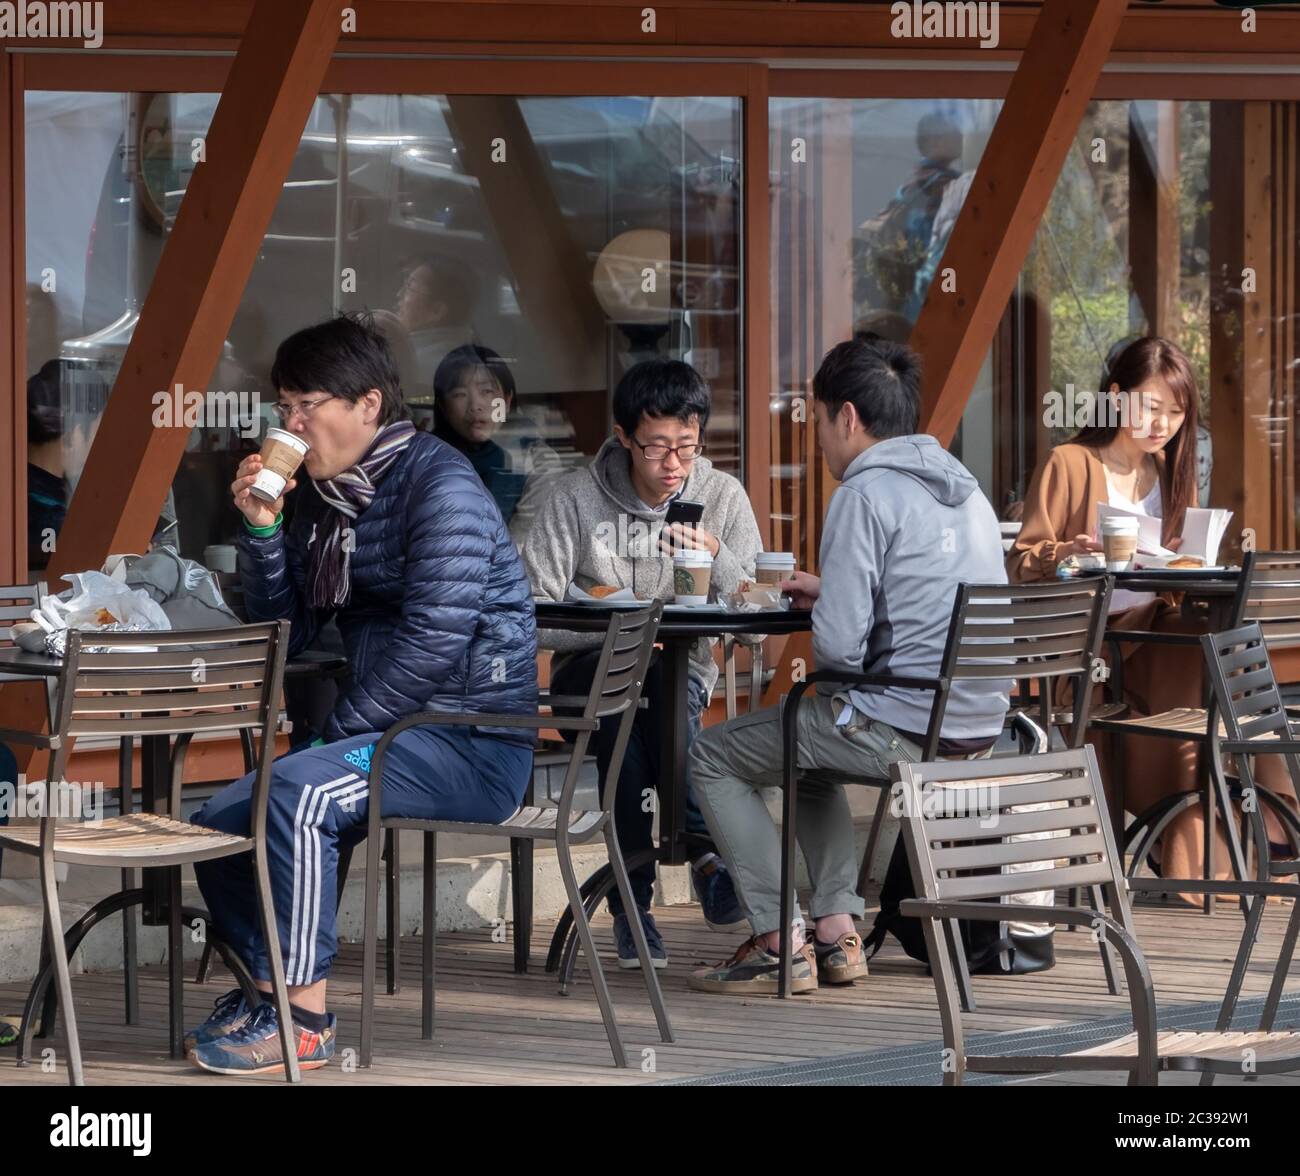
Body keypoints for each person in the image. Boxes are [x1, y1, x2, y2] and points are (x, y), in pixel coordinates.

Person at [186, 315, 538, 1075]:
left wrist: (333, 735)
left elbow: (435, 644)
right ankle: (262, 990)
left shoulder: (441, 485)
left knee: (298, 797)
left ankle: (305, 1019)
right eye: (284, 409)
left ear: (370, 406)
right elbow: (286, 626)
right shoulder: (327, 497)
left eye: (307, 404)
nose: (293, 424)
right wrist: (263, 528)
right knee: (220, 813)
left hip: (467, 736)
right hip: (394, 729)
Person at [687, 336, 1009, 994]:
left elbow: (837, 652)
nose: (819, 444)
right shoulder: (965, 491)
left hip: (903, 720)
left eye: (818, 422)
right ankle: (837, 935)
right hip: (974, 724)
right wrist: (832, 590)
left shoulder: (864, 496)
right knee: (804, 742)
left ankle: (779, 939)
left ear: (849, 418)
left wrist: (833, 605)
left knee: (711, 755)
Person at [1007, 335, 1292, 885]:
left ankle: (1255, 803)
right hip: (1090, 644)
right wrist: (1068, 551)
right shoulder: (1071, 462)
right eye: (1151, 406)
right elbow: (1021, 564)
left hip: (1151, 631)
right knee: (1209, 650)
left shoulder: (1164, 470)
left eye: (1177, 411)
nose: (1163, 423)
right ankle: (1229, 819)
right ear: (1116, 397)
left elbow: (1165, 568)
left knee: (1227, 638)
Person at [522, 358, 762, 969]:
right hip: (590, 670)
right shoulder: (574, 498)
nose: (674, 465)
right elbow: (530, 614)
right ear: (624, 436)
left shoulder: (721, 496)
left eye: (687, 446)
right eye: (656, 448)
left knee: (637, 709)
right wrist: (616, 622)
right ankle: (706, 852)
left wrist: (717, 554)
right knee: (627, 691)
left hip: (681, 674)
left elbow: (756, 615)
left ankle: (630, 903)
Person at [431, 344, 563, 545]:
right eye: (459, 394)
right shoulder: (426, 460)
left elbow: (524, 547)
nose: (475, 405)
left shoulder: (538, 461)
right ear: (443, 406)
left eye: (487, 391)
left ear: (507, 401)